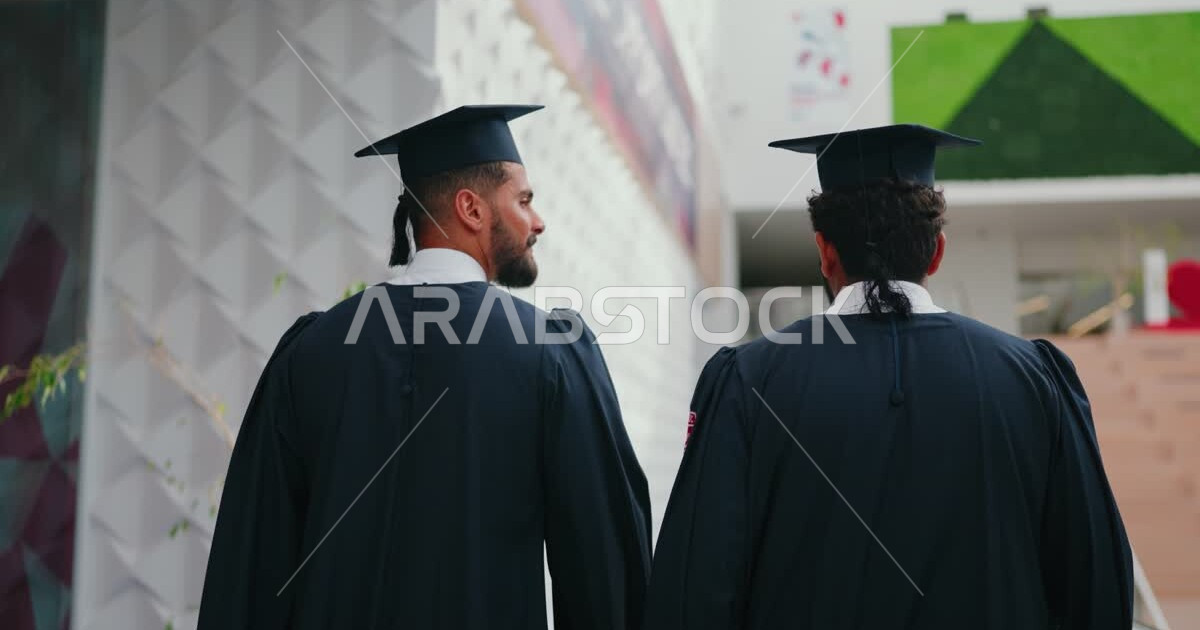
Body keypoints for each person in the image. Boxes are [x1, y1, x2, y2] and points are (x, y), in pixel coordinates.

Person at [644, 124, 1133, 629]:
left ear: (825, 251)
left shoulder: (748, 380)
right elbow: (1095, 582)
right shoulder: (1034, 379)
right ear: (937, 251)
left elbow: (695, 589)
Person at [198, 105, 651, 629]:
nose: (537, 220)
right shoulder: (550, 351)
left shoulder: (312, 351)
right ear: (472, 209)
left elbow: (255, 561)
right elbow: (602, 568)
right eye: (524, 200)